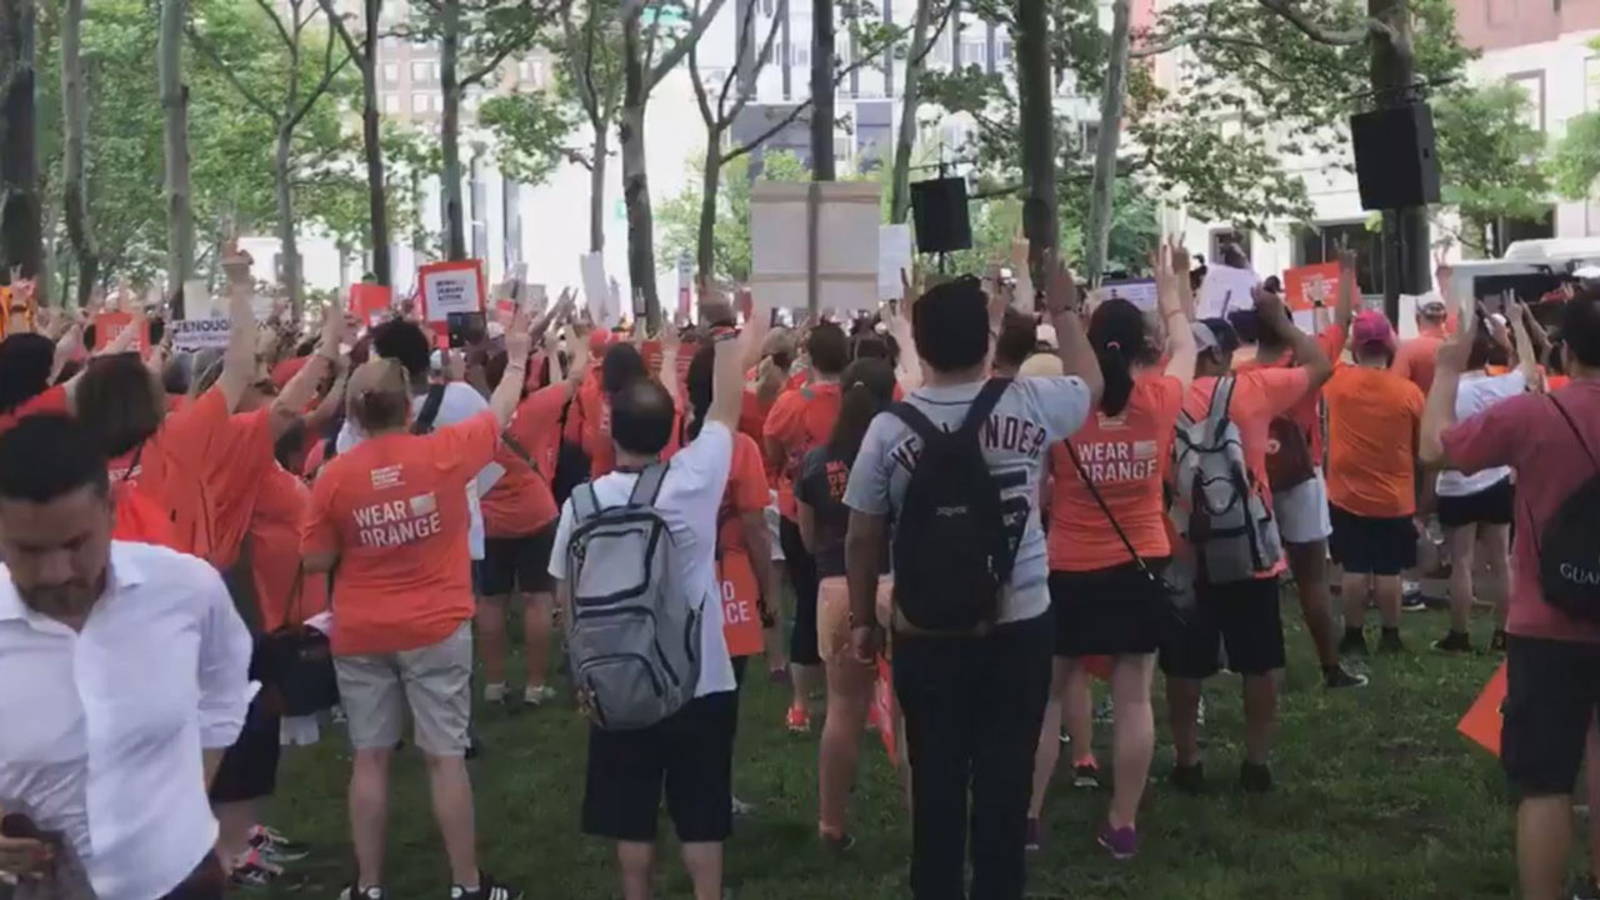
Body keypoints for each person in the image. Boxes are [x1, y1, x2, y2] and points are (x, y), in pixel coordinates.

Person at [844, 264, 1102, 900]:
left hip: (924, 626)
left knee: (933, 778)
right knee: (1005, 783)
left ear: (918, 346)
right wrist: (1064, 311)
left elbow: (861, 536)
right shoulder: (1029, 403)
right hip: (1018, 621)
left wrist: (861, 621)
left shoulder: (887, 430)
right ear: (988, 345)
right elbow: (1092, 384)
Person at [302, 312, 545, 900]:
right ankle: (466, 886)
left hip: (362, 629)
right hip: (435, 625)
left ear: (355, 413)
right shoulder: (443, 454)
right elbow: (501, 415)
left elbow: (313, 561)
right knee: (444, 758)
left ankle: (368, 886)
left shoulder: (334, 476)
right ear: (409, 406)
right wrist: (515, 358)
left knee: (371, 758)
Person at [548, 313, 767, 900]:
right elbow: (724, 409)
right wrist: (730, 337)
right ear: (672, 426)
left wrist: (585, 668)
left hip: (618, 677)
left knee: (630, 812)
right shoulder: (693, 480)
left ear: (610, 429)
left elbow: (565, 597)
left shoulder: (580, 504)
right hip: (701, 677)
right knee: (701, 810)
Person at [0, 414, 253, 900]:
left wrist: (190, 795)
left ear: (112, 512)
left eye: (76, 545)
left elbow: (225, 688)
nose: (56, 573)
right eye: (29, 551)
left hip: (180, 880)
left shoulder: (186, 589)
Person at [1420, 288, 1600, 900]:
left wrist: (1446, 368)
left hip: (1547, 625)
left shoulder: (1534, 415)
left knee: (1545, 783)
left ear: (1566, 351)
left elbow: (1434, 447)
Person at [1028, 243, 1195, 860]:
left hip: (1067, 565)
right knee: (1133, 697)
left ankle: (1027, 816)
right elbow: (1189, 349)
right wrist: (1171, 294)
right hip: (1141, 563)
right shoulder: (1160, 402)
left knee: (1045, 697)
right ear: (1143, 346)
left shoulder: (1064, 407)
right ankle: (1121, 823)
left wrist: (1059, 306)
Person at [1165, 295, 1332, 795]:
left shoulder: (1160, 396)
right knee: (1260, 658)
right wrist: (1283, 324)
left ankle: (1188, 760)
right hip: (1250, 547)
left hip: (1183, 546)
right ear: (1218, 355)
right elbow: (1320, 365)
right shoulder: (1253, 390)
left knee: (1185, 660)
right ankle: (1255, 762)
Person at [1233, 250, 1365, 689]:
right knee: (1312, 579)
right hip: (1301, 479)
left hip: (1255, 485)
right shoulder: (1306, 363)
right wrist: (1346, 271)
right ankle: (1330, 666)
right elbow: (1343, 321)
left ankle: (1259, 665)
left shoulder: (1240, 372)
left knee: (1259, 581)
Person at [797, 357, 897, 851]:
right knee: (910, 713)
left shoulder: (816, 462)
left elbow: (809, 536)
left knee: (841, 709)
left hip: (836, 589)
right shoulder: (902, 453)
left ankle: (831, 824)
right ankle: (928, 823)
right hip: (896, 585)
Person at [478, 305, 587, 708]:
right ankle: (536, 686)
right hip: (537, 515)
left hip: (489, 521)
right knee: (538, 599)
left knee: (490, 601)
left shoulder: (474, 418)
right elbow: (576, 377)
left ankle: (492, 683)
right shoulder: (537, 407)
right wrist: (577, 342)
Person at [1432, 304, 1539, 654]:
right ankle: (1504, 633)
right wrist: (1519, 324)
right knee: (1501, 561)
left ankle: (1458, 635)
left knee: (1460, 562)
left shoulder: (1449, 391)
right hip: (1495, 480)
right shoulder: (1503, 386)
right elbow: (1528, 366)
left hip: (1455, 482)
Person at [765, 321, 851, 733]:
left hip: (796, 512)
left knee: (806, 602)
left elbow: (772, 447)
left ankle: (799, 706)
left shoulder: (789, 403)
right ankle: (849, 699)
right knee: (853, 605)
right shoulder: (859, 401)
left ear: (809, 357)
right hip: (852, 511)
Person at [1323, 311, 1426, 656]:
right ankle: (1391, 634)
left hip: (1347, 492)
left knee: (1353, 565)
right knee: (1388, 569)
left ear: (1356, 344)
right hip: (1395, 495)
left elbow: (1332, 348)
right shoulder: (1408, 392)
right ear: (1388, 343)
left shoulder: (1336, 383)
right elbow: (1419, 446)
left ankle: (1353, 635)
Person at [1393, 296, 1449, 394]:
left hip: (1420, 407)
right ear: (1444, 318)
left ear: (1418, 318)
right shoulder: (1459, 347)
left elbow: (1396, 388)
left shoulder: (1408, 350)